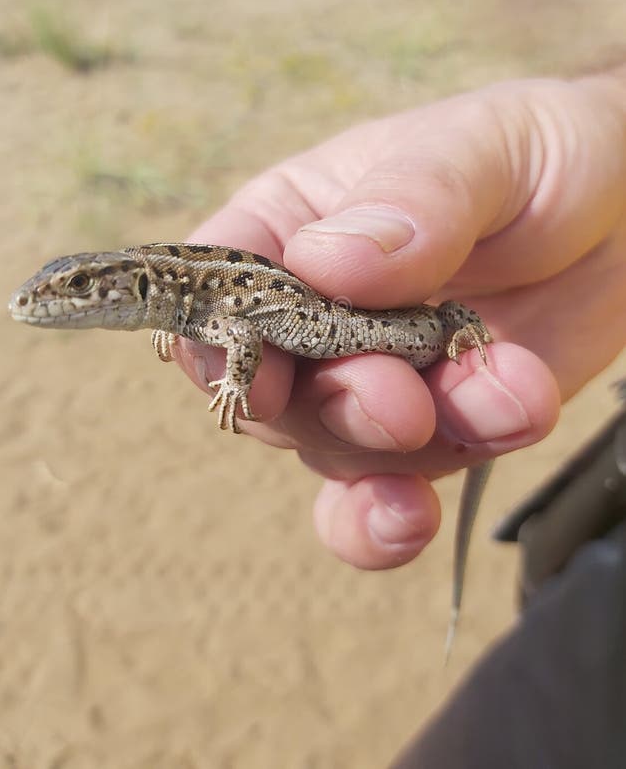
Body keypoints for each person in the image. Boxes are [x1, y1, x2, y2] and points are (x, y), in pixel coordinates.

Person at [171, 68, 625, 574]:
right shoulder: (198, 315)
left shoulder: (227, 312)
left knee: (406, 395)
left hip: (422, 331)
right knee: (391, 418)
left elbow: (450, 312)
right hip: (411, 357)